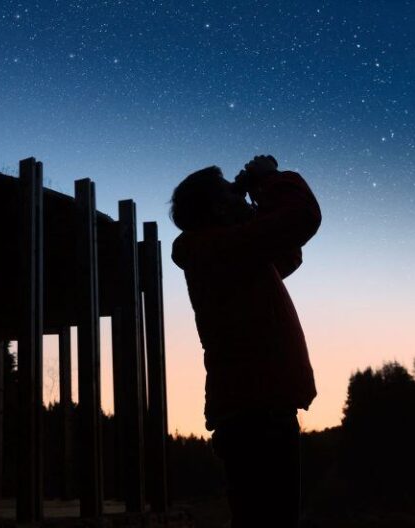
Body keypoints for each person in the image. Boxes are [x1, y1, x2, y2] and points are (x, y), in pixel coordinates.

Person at [170, 155, 321, 527]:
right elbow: (301, 217)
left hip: (255, 410)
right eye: (229, 193)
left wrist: (250, 197)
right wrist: (270, 179)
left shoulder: (227, 251)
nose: (239, 197)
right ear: (219, 208)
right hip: (257, 414)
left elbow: (286, 253)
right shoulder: (218, 249)